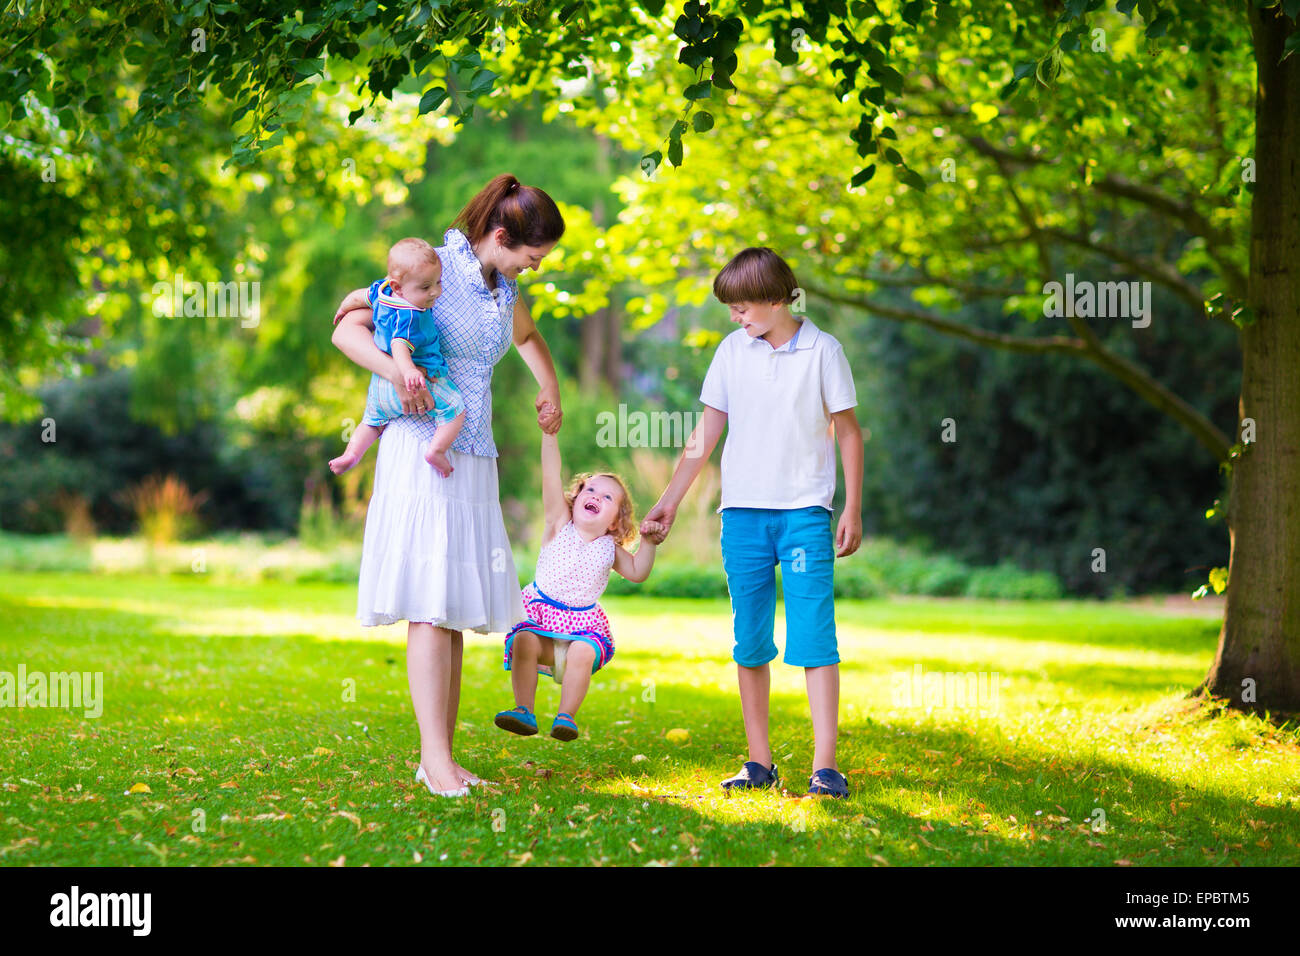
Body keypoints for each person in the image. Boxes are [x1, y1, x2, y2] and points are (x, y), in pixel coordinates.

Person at [330, 174, 565, 797]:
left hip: (473, 453)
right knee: (430, 608)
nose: (534, 269)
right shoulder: (432, 267)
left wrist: (550, 385)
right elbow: (347, 324)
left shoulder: (501, 286)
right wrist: (400, 372)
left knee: (453, 609)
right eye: (532, 256)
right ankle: (433, 759)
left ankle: (445, 758)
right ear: (499, 235)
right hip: (420, 448)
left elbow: (529, 337)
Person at [641, 247, 864, 798]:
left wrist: (852, 507)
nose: (736, 317)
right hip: (741, 515)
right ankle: (759, 763)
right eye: (732, 309)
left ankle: (826, 766)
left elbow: (850, 432)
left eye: (742, 307)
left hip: (805, 515)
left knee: (814, 637)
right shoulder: (731, 353)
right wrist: (669, 499)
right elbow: (705, 434)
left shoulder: (823, 351)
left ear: (774, 298)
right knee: (750, 638)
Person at [495, 427, 664, 741]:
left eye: (607, 497)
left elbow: (639, 571)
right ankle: (523, 710)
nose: (596, 496)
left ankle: (565, 716)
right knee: (523, 641)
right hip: (541, 619)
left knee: (585, 651)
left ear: (615, 521)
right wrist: (548, 434)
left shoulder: (610, 548)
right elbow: (550, 475)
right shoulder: (559, 523)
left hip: (582, 629)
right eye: (590, 490)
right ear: (574, 500)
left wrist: (649, 543)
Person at [328, 237, 465, 478]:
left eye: (438, 282)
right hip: (418, 382)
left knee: (371, 422)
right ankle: (437, 451)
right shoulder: (411, 316)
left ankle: (351, 455)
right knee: (455, 410)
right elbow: (399, 344)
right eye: (425, 287)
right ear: (399, 287)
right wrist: (408, 371)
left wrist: (343, 308)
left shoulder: (382, 292)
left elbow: (358, 297)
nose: (435, 292)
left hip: (380, 388)